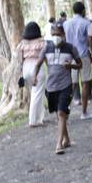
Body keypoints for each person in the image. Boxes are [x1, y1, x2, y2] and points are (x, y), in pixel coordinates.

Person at [33, 20, 81, 155]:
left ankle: (58, 144)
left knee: (61, 113)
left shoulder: (71, 48)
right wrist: (35, 77)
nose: (56, 36)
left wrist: (70, 66)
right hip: (51, 87)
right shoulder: (46, 48)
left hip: (65, 85)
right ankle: (66, 139)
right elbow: (38, 63)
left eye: (58, 34)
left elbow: (79, 64)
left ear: (63, 35)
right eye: (53, 34)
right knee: (59, 115)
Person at [63, 1, 92, 119]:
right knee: (85, 83)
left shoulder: (66, 24)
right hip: (83, 56)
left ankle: (64, 111)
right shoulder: (86, 23)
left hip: (70, 56)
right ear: (83, 11)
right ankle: (84, 112)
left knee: (72, 84)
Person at [16, 21, 47, 128]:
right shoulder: (42, 42)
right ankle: (33, 120)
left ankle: (40, 118)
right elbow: (45, 56)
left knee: (34, 93)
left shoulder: (22, 44)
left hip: (26, 67)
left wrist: (20, 72)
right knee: (37, 93)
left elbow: (19, 59)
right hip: (37, 66)